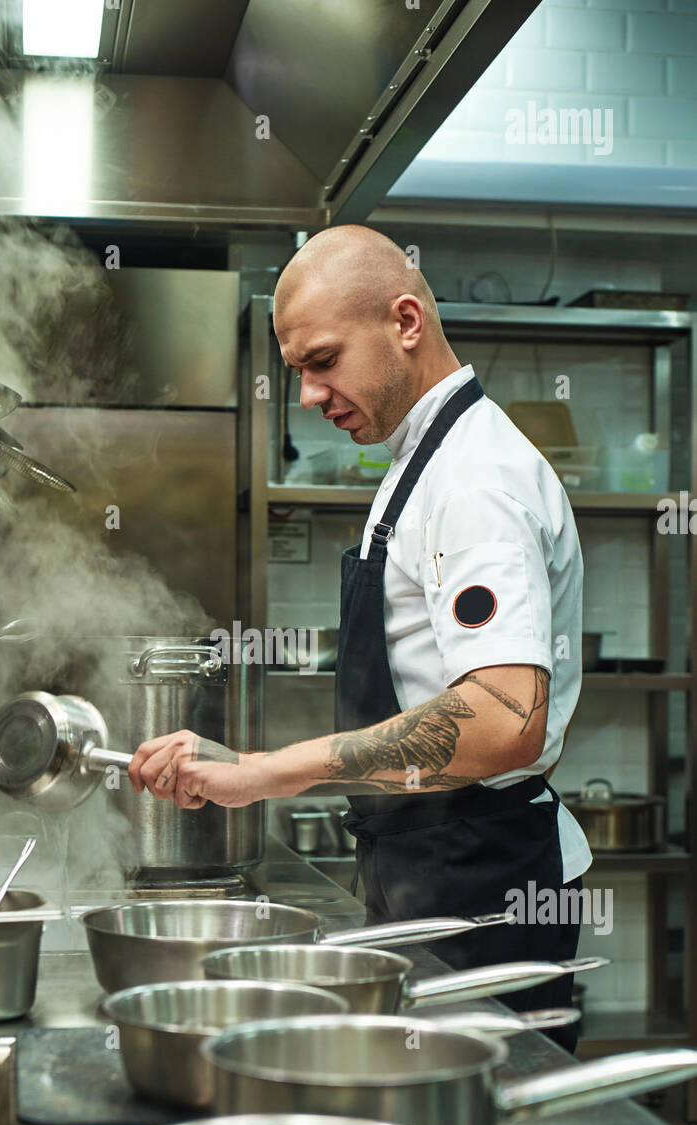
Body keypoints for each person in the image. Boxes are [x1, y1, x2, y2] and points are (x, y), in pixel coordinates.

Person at [128, 225, 593, 1051]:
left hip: (481, 888)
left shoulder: (474, 483)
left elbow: (501, 719)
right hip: (429, 866)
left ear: (405, 321)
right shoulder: (420, 459)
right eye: (298, 370)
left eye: (321, 361)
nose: (308, 395)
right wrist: (245, 768)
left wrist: (267, 774)